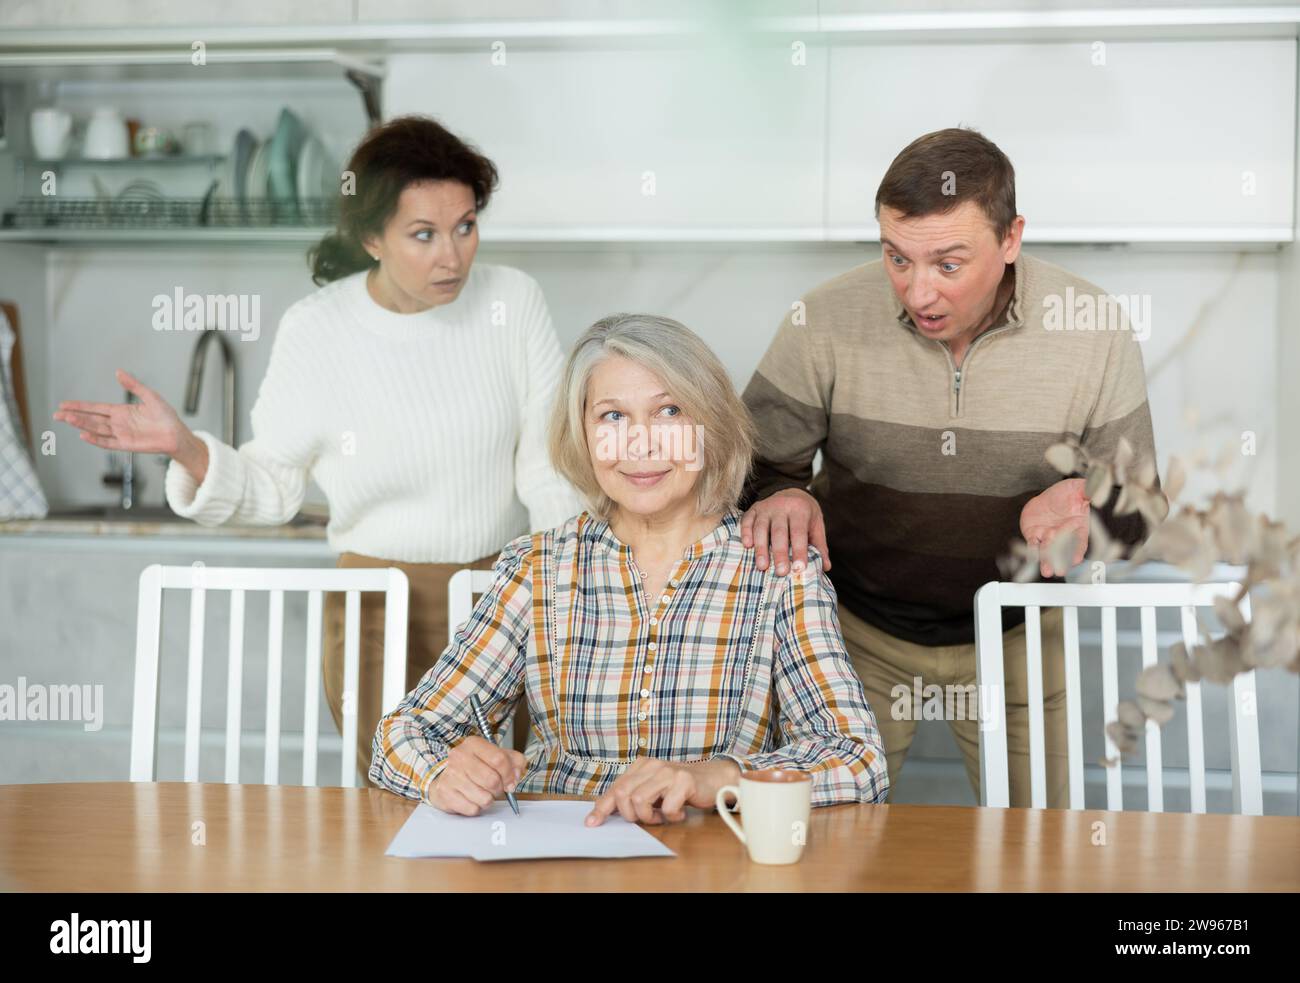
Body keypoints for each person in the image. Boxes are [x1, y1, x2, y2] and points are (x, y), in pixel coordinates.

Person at [53, 115, 579, 781]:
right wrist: (188, 449)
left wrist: (570, 591)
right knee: (397, 812)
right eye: (423, 234)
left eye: (466, 226)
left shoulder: (514, 300)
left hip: (502, 599)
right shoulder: (319, 329)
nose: (452, 255)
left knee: (511, 798)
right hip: (374, 610)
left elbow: (550, 464)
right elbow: (273, 481)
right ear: (371, 238)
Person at [739, 127, 1158, 808]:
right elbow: (748, 465)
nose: (917, 291)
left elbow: (1141, 508)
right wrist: (781, 493)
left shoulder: (1095, 329)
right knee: (821, 852)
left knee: (1044, 855)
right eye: (896, 258)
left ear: (1012, 238)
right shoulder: (821, 319)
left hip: (1019, 637)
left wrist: (1093, 503)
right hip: (854, 639)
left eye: (948, 264)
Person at [370, 313, 888, 824]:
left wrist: (719, 777)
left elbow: (858, 761)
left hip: (710, 865)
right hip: (556, 860)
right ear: (583, 435)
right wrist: (443, 771)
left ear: (711, 424)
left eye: (668, 411)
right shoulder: (535, 567)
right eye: (613, 417)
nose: (641, 444)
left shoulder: (780, 569)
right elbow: (402, 736)